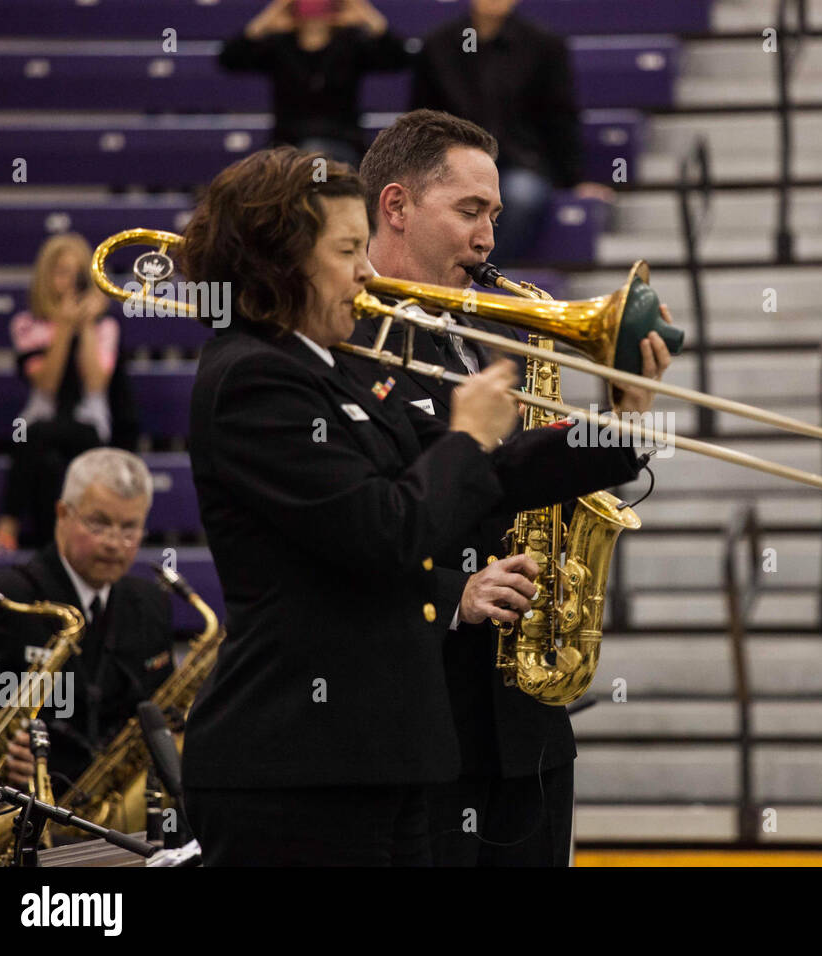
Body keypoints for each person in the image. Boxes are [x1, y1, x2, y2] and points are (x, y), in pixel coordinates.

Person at [177, 145, 648, 866]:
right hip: (300, 765)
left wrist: (620, 421)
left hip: (388, 757)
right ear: (280, 259)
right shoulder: (253, 381)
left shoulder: (331, 367)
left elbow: (492, 469)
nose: (367, 271)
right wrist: (464, 438)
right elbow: (386, 530)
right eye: (346, 250)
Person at [351, 109, 673, 865]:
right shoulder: (346, 339)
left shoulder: (498, 329)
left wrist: (621, 420)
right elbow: (355, 524)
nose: (488, 237)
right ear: (395, 206)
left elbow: (520, 467)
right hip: (419, 715)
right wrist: (450, 596)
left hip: (526, 719)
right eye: (469, 211)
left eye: (493, 214)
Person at [0, 448, 173, 793]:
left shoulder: (152, 603)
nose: (114, 543)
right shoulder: (6, 600)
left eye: (130, 528)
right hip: (23, 813)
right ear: (62, 513)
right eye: (99, 523)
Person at [409, 0, 615, 262]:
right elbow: (421, 119)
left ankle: (482, 277)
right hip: (453, 165)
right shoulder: (438, 45)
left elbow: (560, 117)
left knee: (521, 197)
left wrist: (574, 179)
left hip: (522, 163)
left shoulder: (543, 44)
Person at [0, 234, 138, 555]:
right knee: (46, 458)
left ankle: (8, 523)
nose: (67, 282)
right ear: (45, 277)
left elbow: (95, 383)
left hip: (89, 428)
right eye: (60, 272)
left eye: (74, 273)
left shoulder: (104, 328)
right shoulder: (27, 325)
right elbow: (47, 384)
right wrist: (63, 328)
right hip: (38, 427)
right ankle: (54, 547)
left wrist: (85, 327)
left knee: (39, 440)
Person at [219, 0, 410, 166]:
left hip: (342, 143)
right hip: (287, 146)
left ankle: (321, 195)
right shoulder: (278, 45)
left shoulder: (351, 43)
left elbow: (399, 58)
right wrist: (269, 17)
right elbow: (230, 59)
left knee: (318, 161)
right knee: (309, 164)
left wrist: (366, 14)